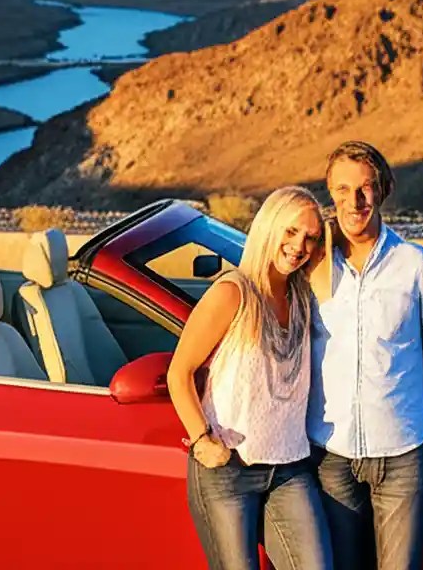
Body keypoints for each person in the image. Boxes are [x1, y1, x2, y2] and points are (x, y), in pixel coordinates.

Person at [307, 141, 423, 570]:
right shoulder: (314, 265)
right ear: (330, 193)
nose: (355, 202)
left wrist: (401, 408)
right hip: (331, 456)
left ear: (383, 189)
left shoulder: (417, 266)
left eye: (366, 187)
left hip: (402, 456)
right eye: (343, 189)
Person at [167, 186, 334, 570]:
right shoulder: (232, 293)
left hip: (290, 466)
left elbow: (329, 267)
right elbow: (180, 371)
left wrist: (327, 241)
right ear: (268, 228)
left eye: (310, 237)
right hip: (229, 469)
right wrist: (202, 440)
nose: (299, 245)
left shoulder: (303, 297)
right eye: (290, 232)